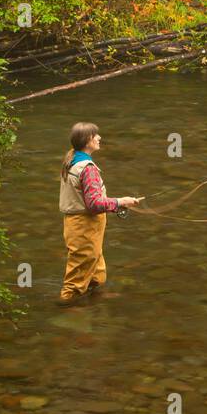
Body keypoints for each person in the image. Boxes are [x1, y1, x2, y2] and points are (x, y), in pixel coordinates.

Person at [57, 122, 143, 306]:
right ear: (87, 141)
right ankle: (67, 307)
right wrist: (122, 201)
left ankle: (95, 296)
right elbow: (95, 203)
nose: (99, 138)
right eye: (95, 135)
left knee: (94, 262)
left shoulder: (72, 159)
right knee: (79, 269)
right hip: (83, 225)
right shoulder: (87, 168)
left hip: (79, 224)